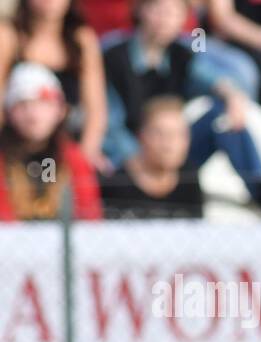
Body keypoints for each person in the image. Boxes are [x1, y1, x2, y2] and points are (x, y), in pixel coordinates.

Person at [100, 0, 261, 214]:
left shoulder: (182, 53)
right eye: (158, 10)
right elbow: (108, 121)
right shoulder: (113, 55)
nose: (164, 19)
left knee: (221, 117)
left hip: (172, 150)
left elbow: (211, 78)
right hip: (129, 157)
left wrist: (232, 95)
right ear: (141, 10)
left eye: (173, 12)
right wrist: (134, 158)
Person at [0, 0, 109, 169]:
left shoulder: (81, 39)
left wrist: (82, 158)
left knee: (52, 182)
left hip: (61, 148)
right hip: (12, 146)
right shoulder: (8, 35)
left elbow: (96, 110)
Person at [0, 61, 101, 219]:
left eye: (42, 103)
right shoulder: (4, 159)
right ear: (8, 114)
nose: (32, 114)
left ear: (61, 110)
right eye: (22, 104)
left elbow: (89, 217)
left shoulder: (72, 158)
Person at [98, 94, 204, 218]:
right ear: (140, 136)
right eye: (159, 134)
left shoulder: (189, 178)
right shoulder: (115, 181)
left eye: (178, 134)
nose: (169, 144)